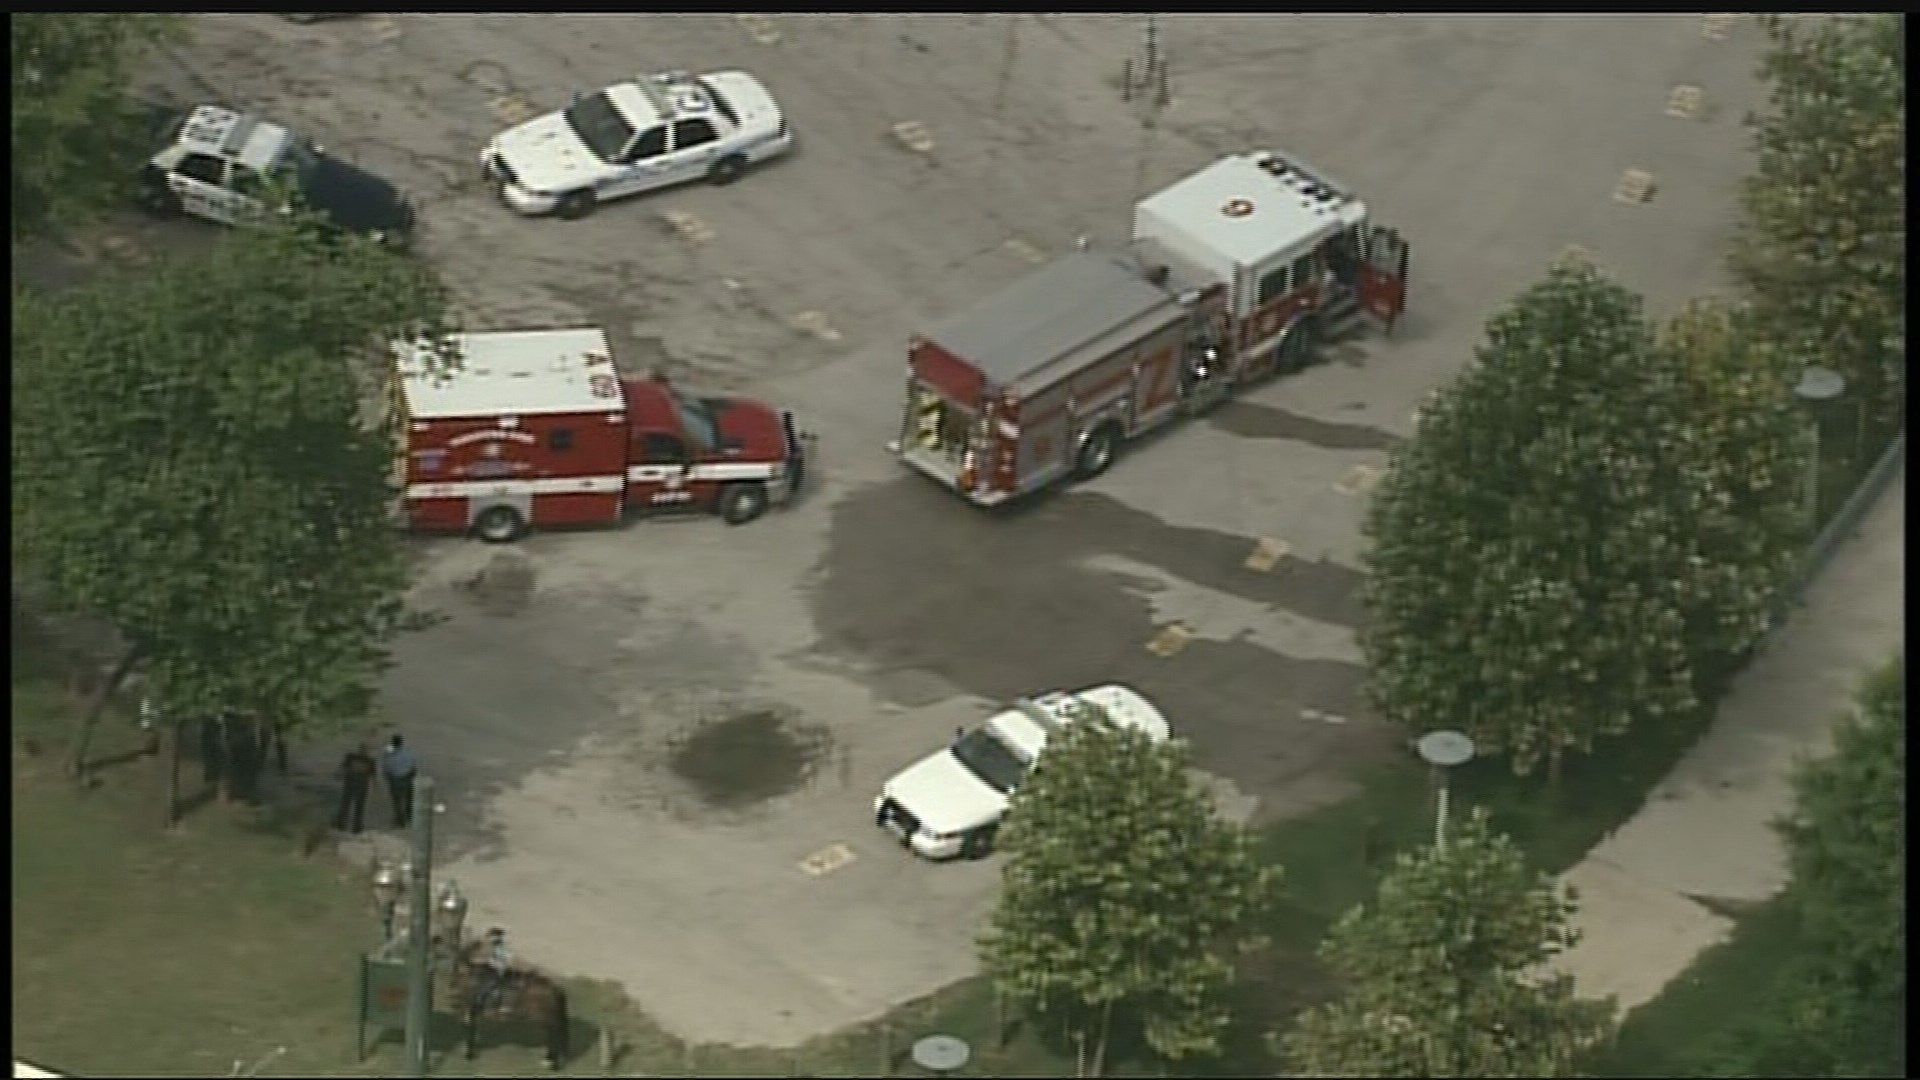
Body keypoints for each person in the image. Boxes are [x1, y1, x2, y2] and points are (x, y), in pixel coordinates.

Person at [334, 741, 376, 834]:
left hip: (351, 784)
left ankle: (342, 824)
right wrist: (374, 786)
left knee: (347, 804)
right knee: (358, 806)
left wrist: (338, 774)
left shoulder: (352, 757)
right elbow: (372, 775)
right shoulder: (369, 760)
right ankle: (356, 826)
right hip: (360, 785)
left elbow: (343, 767)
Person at [383, 734, 419, 828]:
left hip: (395, 779)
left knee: (397, 801)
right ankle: (409, 817)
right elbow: (413, 767)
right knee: (408, 799)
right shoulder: (408, 753)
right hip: (407, 778)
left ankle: (400, 821)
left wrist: (388, 779)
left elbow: (387, 769)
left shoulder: (390, 755)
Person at [476, 926, 513, 1010]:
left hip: (495, 970)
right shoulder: (490, 945)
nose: (490, 938)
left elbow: (505, 960)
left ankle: (484, 1003)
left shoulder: (502, 948)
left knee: (488, 986)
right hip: (488, 968)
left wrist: (490, 961)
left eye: (492, 936)